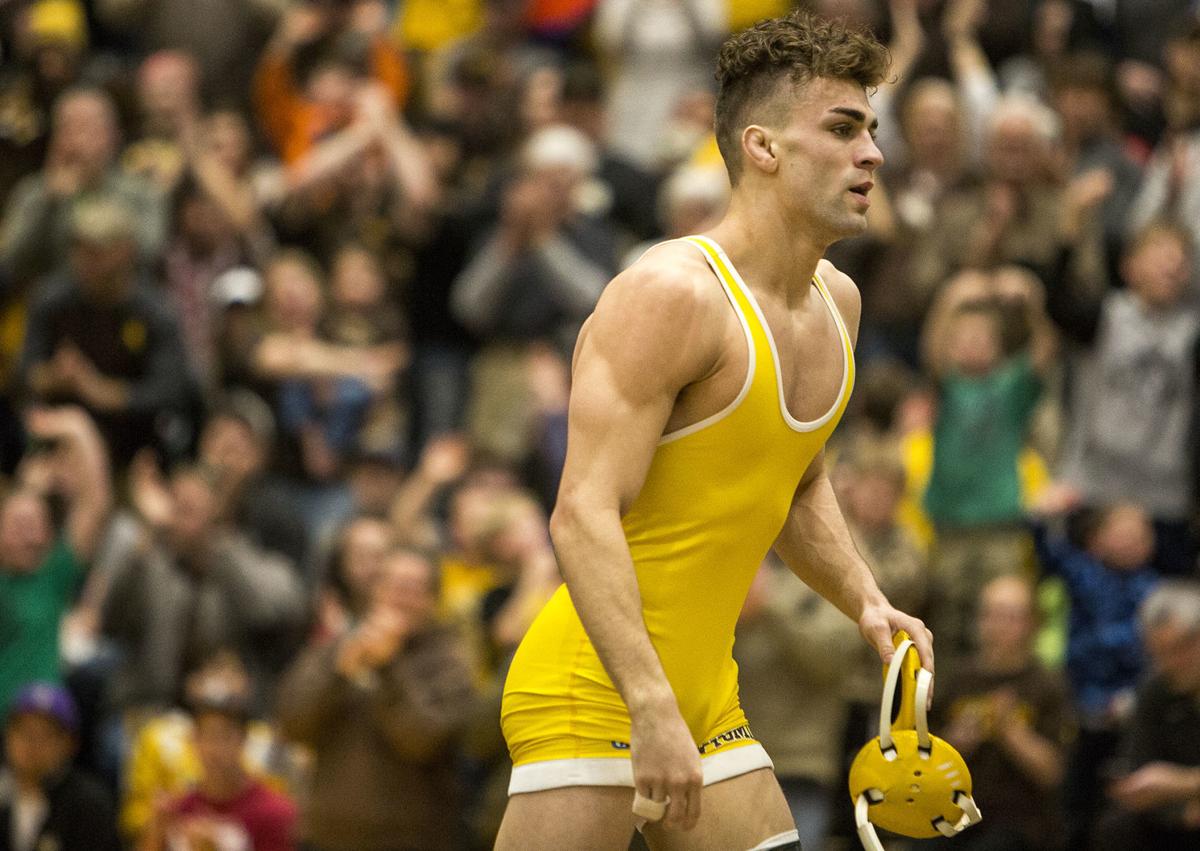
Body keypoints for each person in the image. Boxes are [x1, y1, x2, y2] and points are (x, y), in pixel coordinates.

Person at [496, 12, 932, 850]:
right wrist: (650, 704)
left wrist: (866, 600)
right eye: (843, 129)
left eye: (871, 129)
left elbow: (794, 482)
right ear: (763, 148)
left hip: (705, 694)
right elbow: (580, 513)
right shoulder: (672, 294)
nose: (872, 153)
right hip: (596, 688)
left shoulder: (838, 302)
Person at [1096, 580, 1200, 850]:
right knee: (1116, 826)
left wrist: (1182, 783)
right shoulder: (1155, 690)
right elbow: (1138, 773)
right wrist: (1182, 812)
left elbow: (1164, 781)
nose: (1171, 664)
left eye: (1181, 649)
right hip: (1175, 816)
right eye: (1160, 654)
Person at [0, 682, 121, 851]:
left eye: (45, 734)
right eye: (23, 731)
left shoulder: (90, 806)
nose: (32, 744)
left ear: (70, 744)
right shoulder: (5, 794)